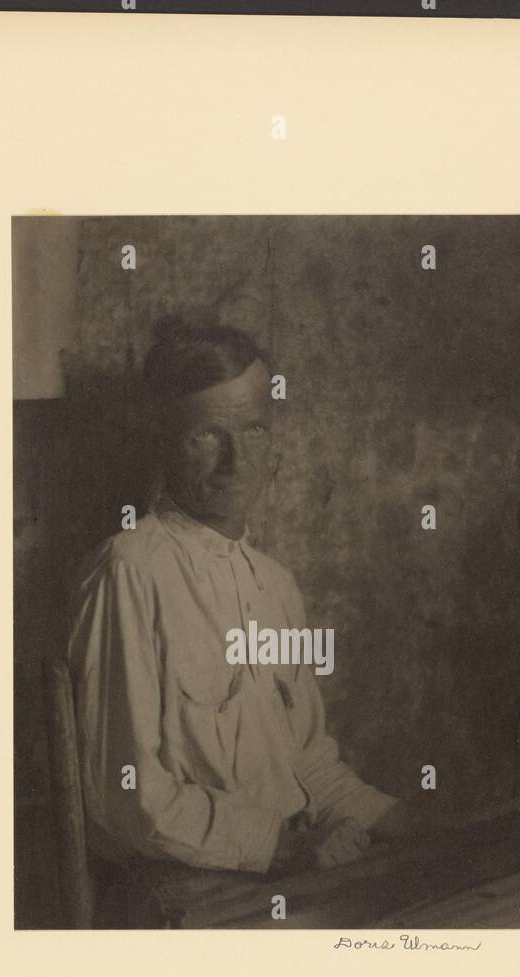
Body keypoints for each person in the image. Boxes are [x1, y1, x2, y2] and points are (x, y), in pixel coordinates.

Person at [67, 319, 415, 886]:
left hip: (286, 873)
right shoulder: (130, 571)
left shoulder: (276, 587)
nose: (235, 461)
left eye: (252, 431)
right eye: (207, 435)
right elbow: (125, 797)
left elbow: (309, 765)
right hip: (188, 890)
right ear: (164, 441)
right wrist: (280, 846)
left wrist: (405, 821)